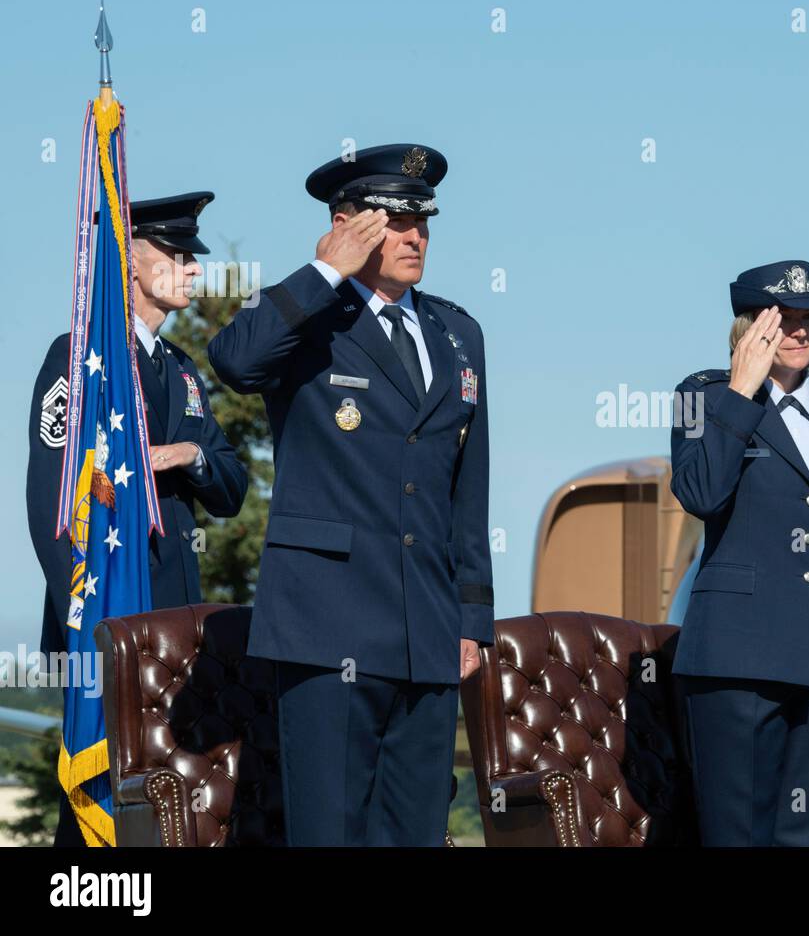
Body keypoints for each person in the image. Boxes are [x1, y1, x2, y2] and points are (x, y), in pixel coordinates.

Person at [207, 144, 493, 846]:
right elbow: (234, 361)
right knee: (330, 832)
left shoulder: (457, 333)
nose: (416, 236)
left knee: (416, 832)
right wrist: (325, 269)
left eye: (422, 221)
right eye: (395, 221)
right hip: (326, 622)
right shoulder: (307, 315)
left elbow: (467, 485)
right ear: (346, 224)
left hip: (426, 627)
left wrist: (471, 616)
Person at [26, 191, 248, 846]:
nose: (193, 270)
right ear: (129, 262)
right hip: (104, 621)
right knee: (99, 819)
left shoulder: (181, 371)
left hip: (177, 627)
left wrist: (187, 454)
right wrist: (90, 624)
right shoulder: (77, 359)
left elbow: (230, 485)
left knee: (168, 812)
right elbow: (52, 509)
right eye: (178, 255)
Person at [669, 260, 809, 846]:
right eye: (782, 319)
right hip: (738, 659)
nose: (799, 332)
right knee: (738, 834)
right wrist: (742, 393)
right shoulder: (704, 396)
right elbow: (699, 493)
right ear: (748, 328)